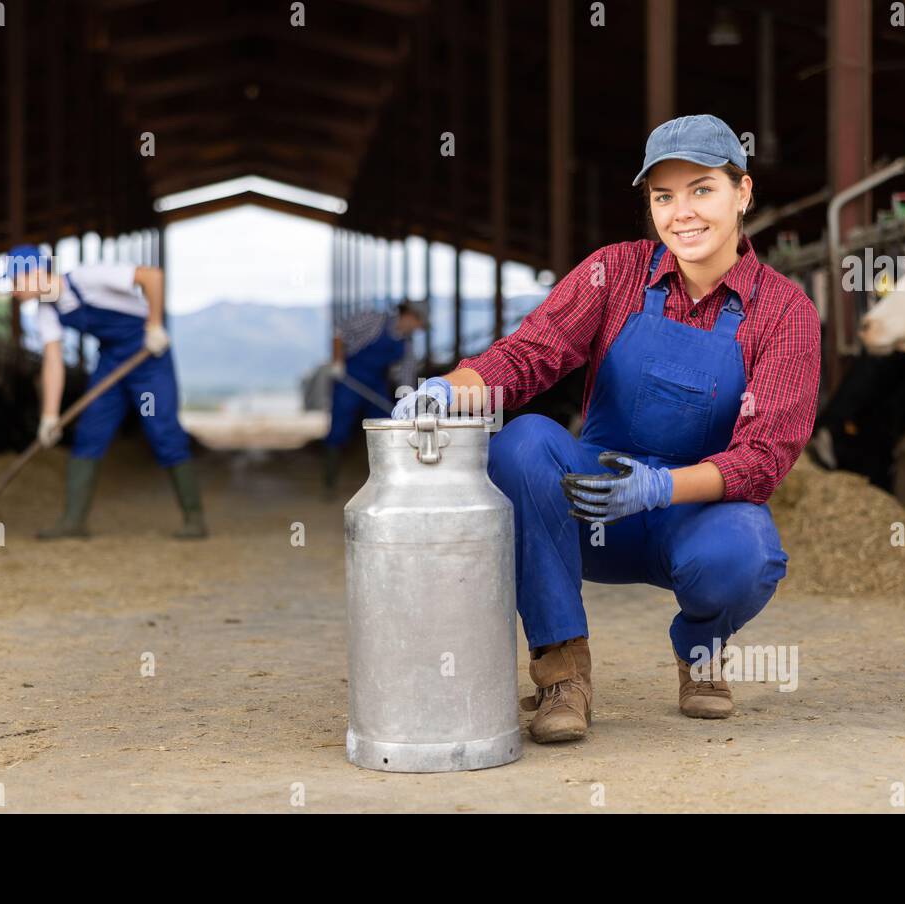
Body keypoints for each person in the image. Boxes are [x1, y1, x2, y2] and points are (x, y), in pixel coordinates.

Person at [393, 114, 821, 743]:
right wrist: (448, 392)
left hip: (693, 511)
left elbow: (764, 458)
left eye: (703, 189)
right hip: (592, 505)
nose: (683, 213)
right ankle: (563, 674)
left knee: (748, 555)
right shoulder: (613, 273)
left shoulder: (785, 311)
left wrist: (660, 487)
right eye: (663, 196)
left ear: (743, 193)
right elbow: (529, 355)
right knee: (523, 441)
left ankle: (701, 653)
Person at [7, 245, 206, 540]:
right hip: (112, 363)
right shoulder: (46, 311)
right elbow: (53, 362)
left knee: (163, 430)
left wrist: (154, 326)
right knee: (90, 431)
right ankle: (73, 522)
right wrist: (49, 417)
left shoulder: (88, 278)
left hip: (148, 356)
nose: (12, 290)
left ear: (36, 272)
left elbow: (152, 276)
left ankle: (194, 519)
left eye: (15, 281)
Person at [324, 300, 427, 490]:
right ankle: (330, 479)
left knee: (385, 425)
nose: (417, 329)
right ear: (409, 316)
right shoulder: (373, 320)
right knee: (339, 425)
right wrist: (338, 363)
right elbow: (339, 332)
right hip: (350, 378)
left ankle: (386, 480)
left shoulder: (406, 346)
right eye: (418, 324)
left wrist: (408, 404)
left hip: (375, 384)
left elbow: (405, 379)